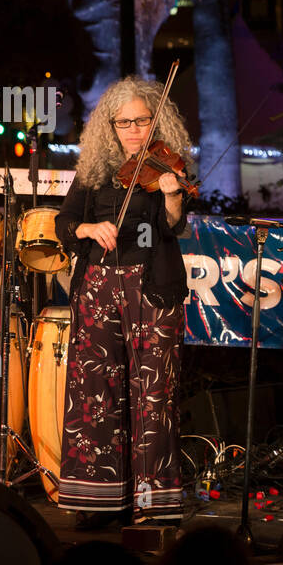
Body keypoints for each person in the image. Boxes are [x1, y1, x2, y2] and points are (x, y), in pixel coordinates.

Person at [54, 76, 192, 529]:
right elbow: (65, 220)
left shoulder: (167, 166)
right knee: (94, 394)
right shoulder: (94, 170)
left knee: (153, 395)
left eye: (141, 120)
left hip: (151, 286)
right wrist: (89, 230)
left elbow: (173, 225)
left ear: (157, 121)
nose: (133, 130)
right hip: (97, 285)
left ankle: (152, 503)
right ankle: (98, 500)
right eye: (123, 122)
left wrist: (172, 196)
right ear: (109, 126)